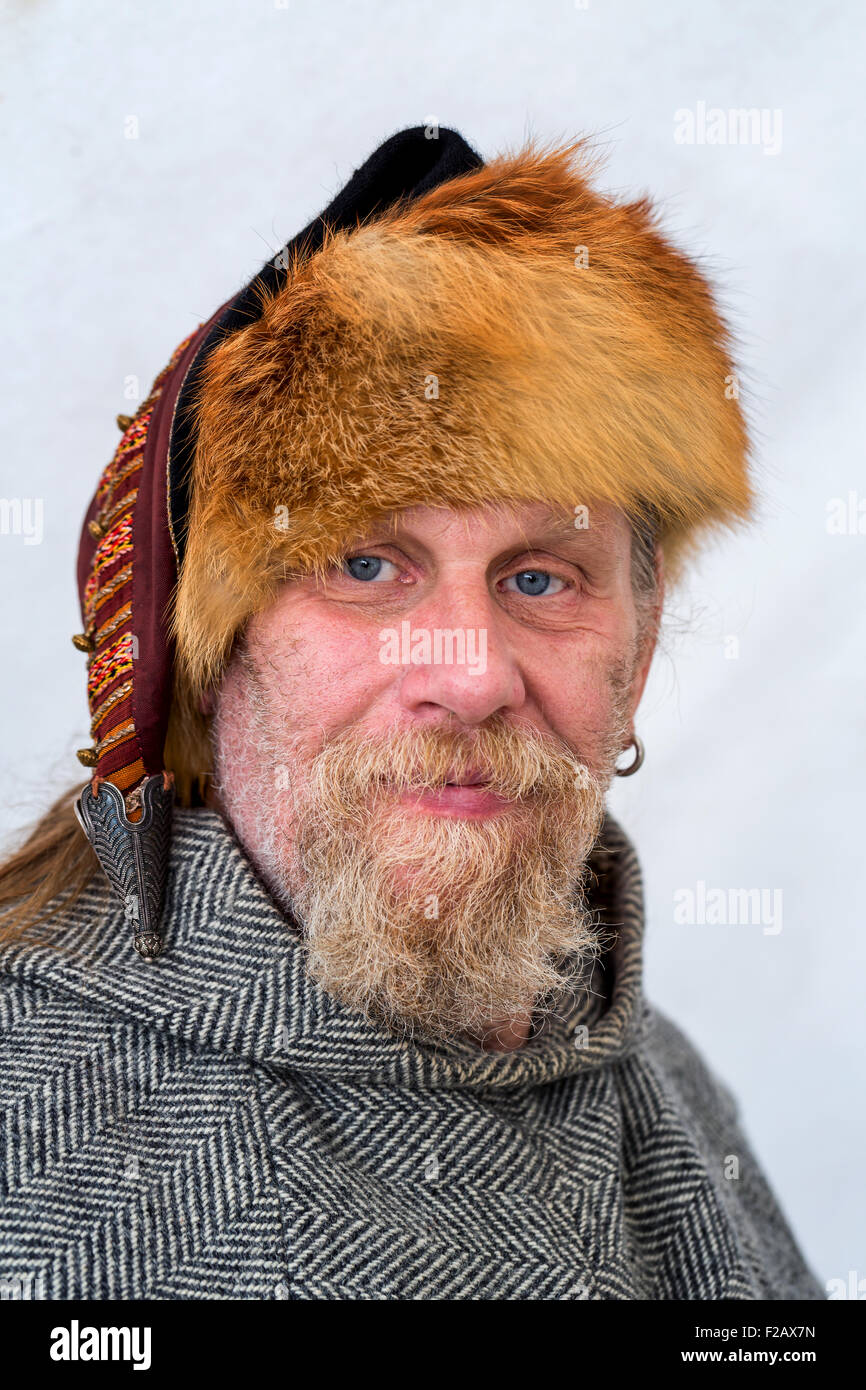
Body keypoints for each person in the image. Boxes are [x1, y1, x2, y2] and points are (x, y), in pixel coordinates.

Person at [0, 126, 823, 1301]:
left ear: (633, 663)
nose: (471, 672)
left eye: (541, 577)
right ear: (215, 652)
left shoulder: (656, 1072)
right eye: (367, 566)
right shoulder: (38, 1152)